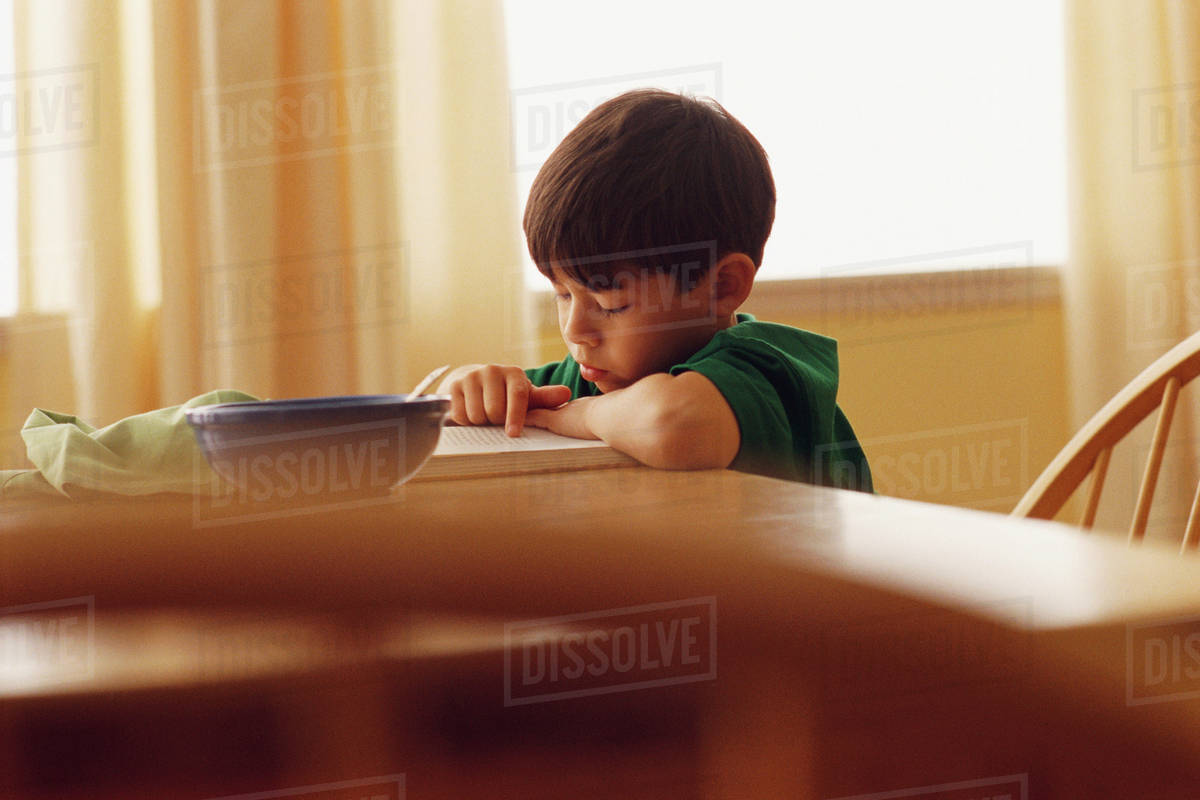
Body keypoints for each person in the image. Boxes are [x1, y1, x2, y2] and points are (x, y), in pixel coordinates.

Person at [438, 89, 872, 491]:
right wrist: (462, 387)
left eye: (612, 304)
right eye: (563, 295)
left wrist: (581, 415)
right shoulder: (595, 378)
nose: (575, 330)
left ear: (721, 286)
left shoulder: (765, 371)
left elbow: (673, 423)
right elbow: (433, 407)